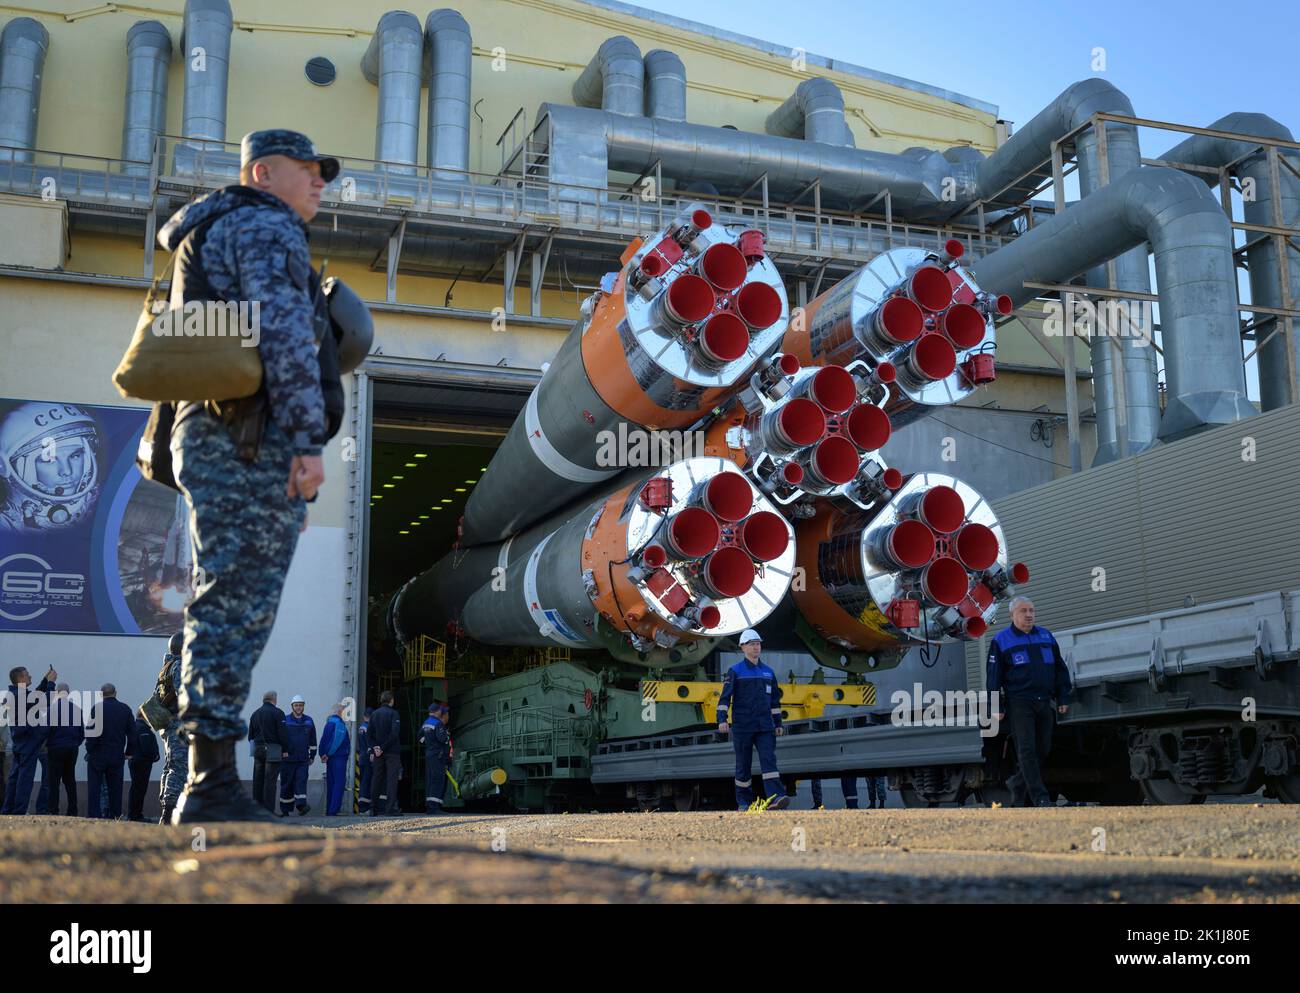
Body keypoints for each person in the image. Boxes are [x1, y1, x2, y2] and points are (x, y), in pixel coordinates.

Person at [163, 129, 339, 824]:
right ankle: (206, 785)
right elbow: (285, 331)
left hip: (221, 436)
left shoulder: (217, 227)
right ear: (263, 173)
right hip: (246, 441)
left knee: (230, 599)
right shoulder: (263, 225)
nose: (320, 182)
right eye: (308, 170)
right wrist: (306, 439)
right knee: (234, 602)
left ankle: (209, 777)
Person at [987, 596, 1072, 808]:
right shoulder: (1001, 640)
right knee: (1027, 751)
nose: (1029, 615)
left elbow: (1060, 669)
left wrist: (1062, 696)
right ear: (1012, 615)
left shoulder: (1046, 636)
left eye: (1031, 610)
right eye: (1023, 611)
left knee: (1043, 749)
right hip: (1019, 703)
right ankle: (1040, 796)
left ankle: (1017, 783)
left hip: (1044, 702)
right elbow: (993, 678)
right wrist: (996, 706)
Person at [717, 630, 790, 811]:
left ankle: (776, 798)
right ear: (743, 647)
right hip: (743, 726)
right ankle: (744, 802)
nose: (756, 647)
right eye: (751, 644)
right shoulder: (735, 671)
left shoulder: (768, 672)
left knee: (769, 761)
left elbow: (774, 701)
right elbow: (725, 698)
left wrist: (778, 723)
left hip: (765, 726)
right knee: (743, 765)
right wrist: (722, 719)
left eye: (758, 643)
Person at [2, 665, 55, 815]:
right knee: (25, 778)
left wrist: (45, 680)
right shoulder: (20, 695)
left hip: (20, 741)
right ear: (20, 679)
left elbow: (35, 697)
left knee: (14, 777)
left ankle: (7, 810)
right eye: (27, 675)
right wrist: (51, 683)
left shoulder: (16, 694)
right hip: (28, 741)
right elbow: (44, 702)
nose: (30, 676)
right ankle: (19, 811)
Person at [85, 684, 135, 819]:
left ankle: (94, 815)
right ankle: (115, 815)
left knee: (94, 787)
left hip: (98, 754)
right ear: (115, 693)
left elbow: (91, 732)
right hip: (117, 754)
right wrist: (128, 752)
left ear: (101, 694)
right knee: (116, 788)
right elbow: (132, 734)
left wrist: (90, 749)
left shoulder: (97, 708)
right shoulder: (125, 709)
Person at [46, 683, 85, 815]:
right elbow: (81, 733)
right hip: (72, 748)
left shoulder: (52, 709)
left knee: (54, 781)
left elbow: (47, 730)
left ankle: (53, 810)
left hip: (55, 748)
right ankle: (73, 810)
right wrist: (74, 743)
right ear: (68, 693)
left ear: (57, 692)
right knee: (70, 780)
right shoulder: (77, 709)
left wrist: (47, 744)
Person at [247, 690, 286, 812]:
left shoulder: (254, 714)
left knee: (258, 780)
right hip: (273, 750)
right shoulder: (278, 713)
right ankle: (269, 812)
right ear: (274, 699)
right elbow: (282, 734)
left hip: (258, 750)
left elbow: (250, 736)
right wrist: (285, 749)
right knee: (270, 782)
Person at [278, 695, 316, 816]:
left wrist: (312, 756)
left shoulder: (309, 721)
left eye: (300, 705)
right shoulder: (285, 720)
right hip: (287, 759)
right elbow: (281, 738)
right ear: (292, 706)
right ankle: (285, 810)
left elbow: (313, 740)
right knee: (286, 784)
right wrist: (282, 752)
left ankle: (301, 806)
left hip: (303, 759)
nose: (298, 707)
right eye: (296, 705)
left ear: (303, 706)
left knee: (301, 781)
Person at [368, 691, 401, 816]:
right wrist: (382, 747)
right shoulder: (394, 714)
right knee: (392, 780)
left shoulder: (374, 714)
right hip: (391, 752)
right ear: (391, 700)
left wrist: (375, 747)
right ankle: (390, 809)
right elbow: (394, 734)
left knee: (376, 779)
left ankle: (373, 808)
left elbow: (369, 734)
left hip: (378, 753)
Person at [418, 703, 452, 815]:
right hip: (438, 755)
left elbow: (420, 737)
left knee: (431, 780)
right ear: (437, 712)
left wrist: (429, 742)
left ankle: (430, 806)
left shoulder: (426, 723)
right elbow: (442, 739)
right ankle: (434, 808)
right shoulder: (438, 723)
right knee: (438, 780)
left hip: (429, 754)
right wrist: (447, 736)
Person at [318, 703, 350, 816]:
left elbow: (323, 740)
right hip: (338, 758)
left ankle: (329, 809)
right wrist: (328, 753)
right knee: (339, 783)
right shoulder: (339, 724)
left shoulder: (329, 723)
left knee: (331, 783)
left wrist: (322, 753)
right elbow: (336, 741)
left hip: (331, 758)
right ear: (340, 712)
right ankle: (334, 810)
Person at [127, 716, 161, 821]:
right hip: (142, 763)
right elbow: (146, 748)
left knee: (135, 789)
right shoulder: (142, 728)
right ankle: (136, 816)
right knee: (139, 790)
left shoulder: (135, 727)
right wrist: (154, 756)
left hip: (136, 761)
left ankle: (134, 815)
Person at [355, 707, 373, 814]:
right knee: (367, 782)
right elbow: (369, 743)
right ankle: (364, 807)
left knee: (363, 782)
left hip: (361, 756)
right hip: (367, 757)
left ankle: (361, 806)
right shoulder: (368, 728)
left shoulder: (361, 727)